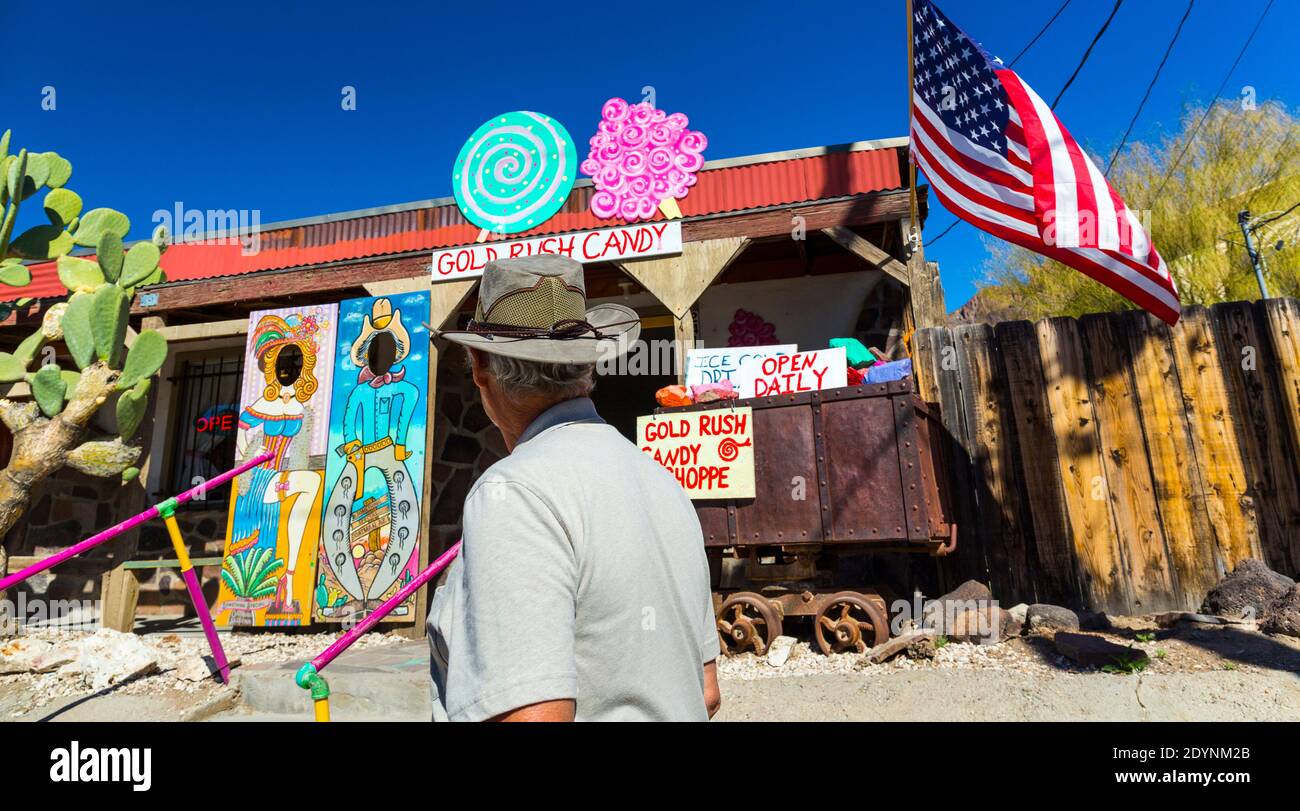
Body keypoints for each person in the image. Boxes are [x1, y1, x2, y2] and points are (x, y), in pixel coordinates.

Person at [425, 254, 721, 721]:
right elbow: (705, 693)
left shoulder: (514, 492)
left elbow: (533, 715)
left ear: (479, 367)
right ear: (589, 365)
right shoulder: (663, 481)